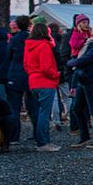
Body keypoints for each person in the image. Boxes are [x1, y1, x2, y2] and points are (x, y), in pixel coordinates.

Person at [66, 22, 93, 148]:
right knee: (77, 108)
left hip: (90, 79)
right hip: (83, 79)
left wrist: (71, 63)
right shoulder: (91, 44)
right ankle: (85, 136)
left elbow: (85, 60)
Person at [24, 23, 61, 152]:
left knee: (38, 112)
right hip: (45, 81)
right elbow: (46, 67)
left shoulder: (28, 46)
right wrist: (56, 74)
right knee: (45, 113)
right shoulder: (44, 45)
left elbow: (25, 64)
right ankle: (43, 142)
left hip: (33, 80)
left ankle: (40, 141)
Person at [5, 15, 31, 144]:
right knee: (34, 107)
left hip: (15, 75)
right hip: (30, 75)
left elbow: (7, 57)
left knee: (14, 107)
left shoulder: (14, 40)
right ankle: (39, 137)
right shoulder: (33, 39)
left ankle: (14, 136)